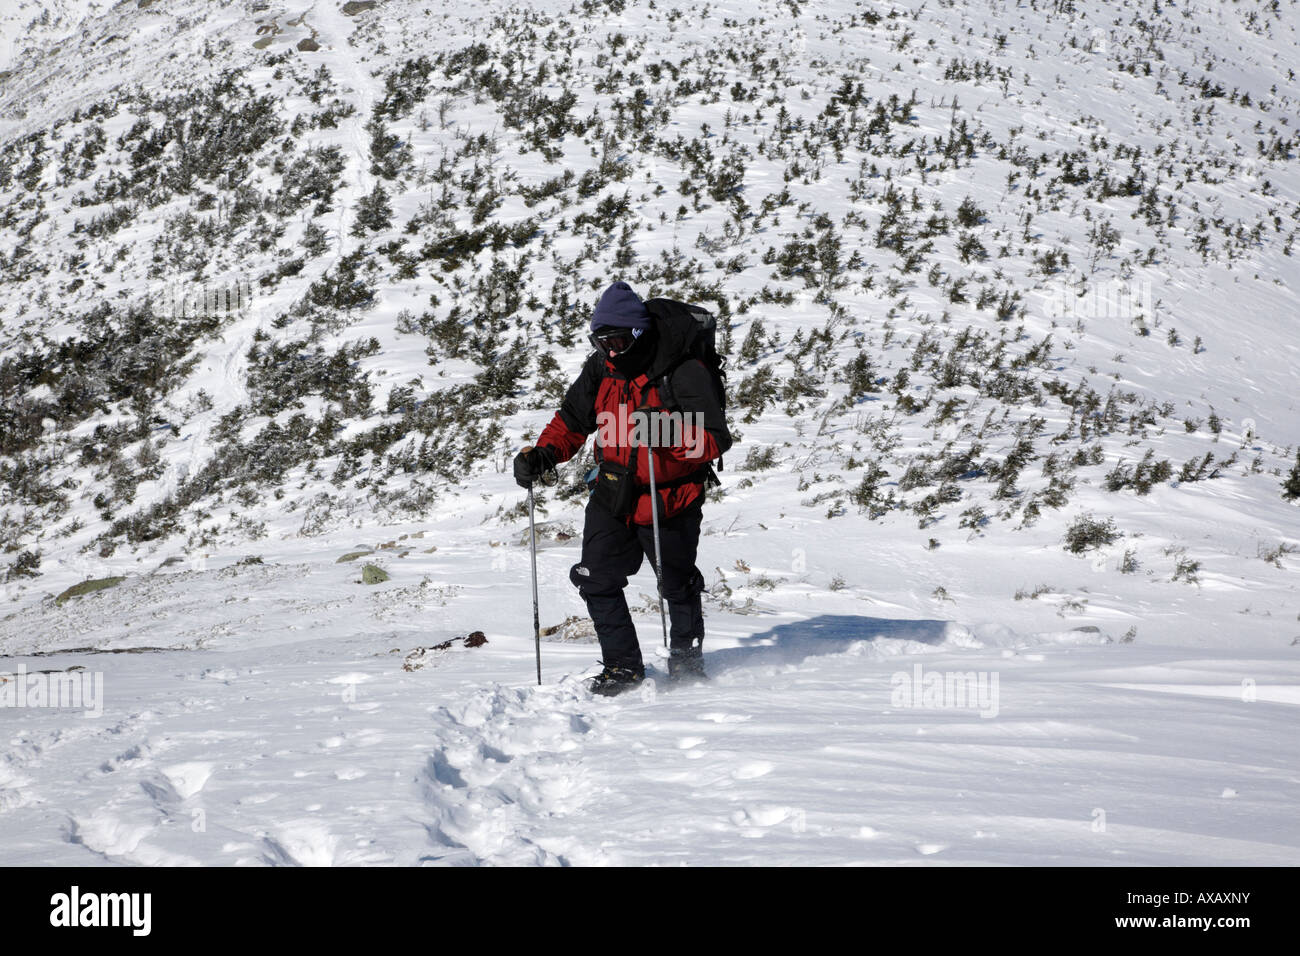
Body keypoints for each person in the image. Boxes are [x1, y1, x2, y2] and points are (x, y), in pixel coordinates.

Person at [514, 281, 732, 696]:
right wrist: (542, 455)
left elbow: (715, 439)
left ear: (639, 333)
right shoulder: (601, 368)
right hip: (613, 493)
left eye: (617, 339)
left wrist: (667, 433)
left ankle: (687, 663)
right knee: (595, 579)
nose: (610, 349)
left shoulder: (683, 370)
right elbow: (572, 421)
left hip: (671, 498)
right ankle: (622, 667)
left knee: (676, 584)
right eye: (601, 340)